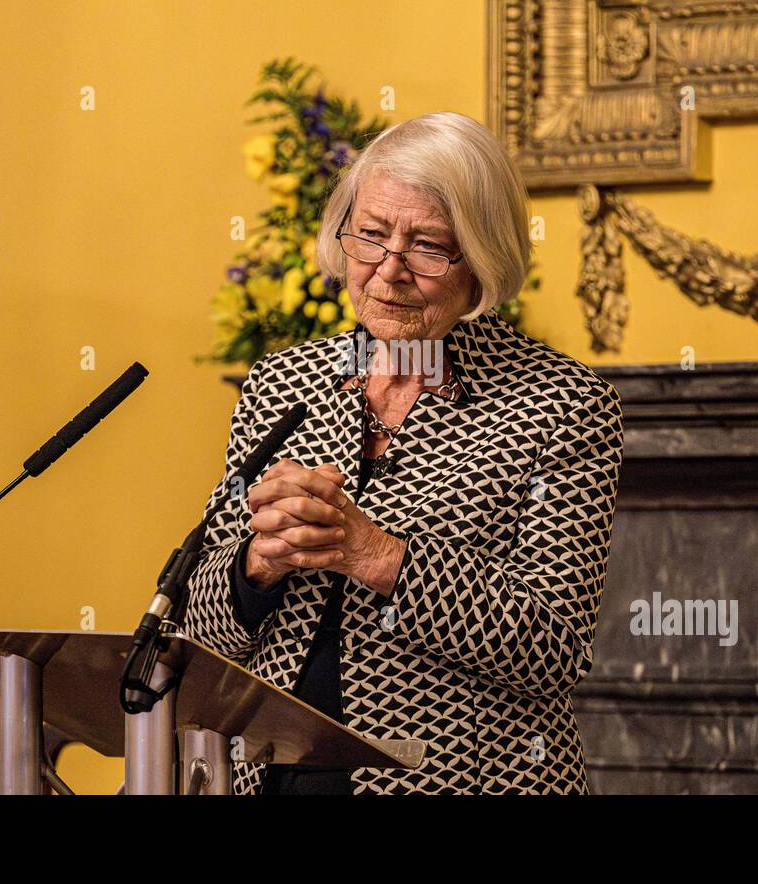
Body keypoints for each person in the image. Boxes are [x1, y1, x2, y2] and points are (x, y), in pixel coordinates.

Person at [183, 111, 624, 793]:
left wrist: (377, 555)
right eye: (371, 235)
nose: (388, 271)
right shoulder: (282, 384)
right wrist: (255, 566)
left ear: (481, 255)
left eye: (425, 245)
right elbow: (201, 628)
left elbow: (551, 646)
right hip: (274, 775)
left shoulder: (561, 405)